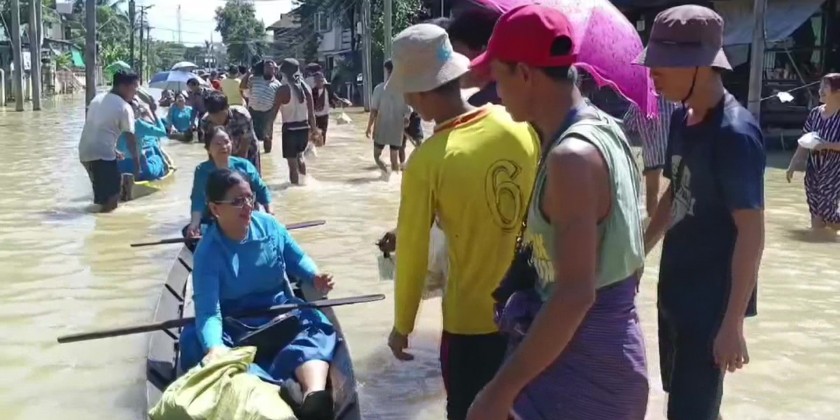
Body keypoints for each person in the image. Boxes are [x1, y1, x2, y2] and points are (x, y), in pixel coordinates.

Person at [464, 6, 649, 420]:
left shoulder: (571, 159)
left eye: (499, 75)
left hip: (581, 372)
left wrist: (499, 392)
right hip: (606, 353)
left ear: (526, 74)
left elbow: (574, 295)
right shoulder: (605, 128)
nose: (495, 90)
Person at [384, 24, 539, 420]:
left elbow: (413, 252)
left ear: (418, 94)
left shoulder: (427, 161)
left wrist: (403, 324)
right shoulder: (518, 124)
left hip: (471, 321)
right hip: (533, 312)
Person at [636, 5, 765, 419]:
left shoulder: (735, 134)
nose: (652, 72)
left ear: (700, 66)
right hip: (675, 286)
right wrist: (637, 254)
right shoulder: (680, 118)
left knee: (691, 411)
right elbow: (676, 192)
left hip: (711, 303)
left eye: (663, 63)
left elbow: (752, 233)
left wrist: (733, 323)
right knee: (687, 403)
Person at [178, 168, 337, 420]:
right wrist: (215, 347)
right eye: (237, 201)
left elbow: (297, 259)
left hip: (279, 313)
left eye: (250, 198)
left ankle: (313, 394)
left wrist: (315, 276)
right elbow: (209, 311)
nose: (248, 206)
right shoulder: (207, 252)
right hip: (234, 324)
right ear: (215, 209)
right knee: (198, 345)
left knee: (317, 324)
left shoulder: (270, 226)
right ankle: (273, 393)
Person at [185, 127, 272, 238]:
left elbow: (262, 190)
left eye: (226, 142)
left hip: (245, 215)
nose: (224, 147)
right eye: (218, 144)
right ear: (208, 149)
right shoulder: (202, 171)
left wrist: (270, 214)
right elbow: (198, 199)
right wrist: (194, 224)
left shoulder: (244, 165)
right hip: (214, 219)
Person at [78, 70, 140, 212]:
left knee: (102, 199)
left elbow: (97, 127)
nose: (135, 92)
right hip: (102, 155)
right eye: (135, 87)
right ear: (124, 86)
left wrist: (113, 149)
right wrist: (137, 165)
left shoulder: (97, 99)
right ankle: (102, 228)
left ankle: (96, 226)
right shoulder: (125, 107)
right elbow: (131, 139)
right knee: (112, 200)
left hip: (84, 153)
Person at [787, 73, 840, 231]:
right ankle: (819, 237)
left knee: (825, 210)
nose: (821, 90)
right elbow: (804, 141)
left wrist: (827, 145)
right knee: (815, 210)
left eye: (826, 86)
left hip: (834, 169)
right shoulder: (815, 113)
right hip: (813, 169)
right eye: (820, 86)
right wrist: (793, 164)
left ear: (838, 92)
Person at [623, 95, 680, 219]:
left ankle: (654, 221)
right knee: (674, 192)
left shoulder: (639, 103)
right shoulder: (673, 100)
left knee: (652, 193)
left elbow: (628, 124)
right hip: (671, 151)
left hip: (652, 154)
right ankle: (668, 224)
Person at [278, 58, 319, 185]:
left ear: (283, 72)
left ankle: (295, 188)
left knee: (292, 165)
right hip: (304, 128)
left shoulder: (283, 89)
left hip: (289, 130)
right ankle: (304, 184)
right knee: (300, 157)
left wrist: (267, 128)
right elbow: (311, 114)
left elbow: (274, 112)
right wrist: (314, 131)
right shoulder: (306, 88)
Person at [366, 60, 411, 173]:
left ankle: (387, 176)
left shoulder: (379, 89)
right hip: (396, 128)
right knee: (394, 159)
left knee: (377, 156)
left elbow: (374, 111)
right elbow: (409, 109)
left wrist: (369, 128)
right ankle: (393, 182)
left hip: (383, 128)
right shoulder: (403, 89)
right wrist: (407, 118)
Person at [199, 91, 261, 173]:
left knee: (251, 180)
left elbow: (245, 143)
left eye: (220, 114)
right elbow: (211, 148)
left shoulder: (241, 115)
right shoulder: (205, 121)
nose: (216, 119)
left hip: (249, 151)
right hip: (224, 153)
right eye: (213, 115)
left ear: (227, 107)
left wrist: (238, 166)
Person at [117, 101, 170, 183]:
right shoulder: (138, 124)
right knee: (157, 158)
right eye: (137, 109)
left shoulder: (114, 122)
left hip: (120, 168)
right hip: (141, 170)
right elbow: (162, 132)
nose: (139, 111)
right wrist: (154, 113)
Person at [248, 59, 283, 154]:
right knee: (251, 137)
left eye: (270, 68)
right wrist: (250, 72)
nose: (268, 70)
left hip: (267, 113)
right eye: (266, 67)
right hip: (253, 112)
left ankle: (267, 155)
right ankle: (253, 155)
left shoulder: (278, 85)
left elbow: (277, 104)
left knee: (267, 138)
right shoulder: (254, 79)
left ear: (275, 70)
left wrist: (273, 117)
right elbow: (242, 86)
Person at [311, 71, 351, 144]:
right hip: (315, 115)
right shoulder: (312, 91)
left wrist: (341, 101)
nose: (319, 82)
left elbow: (333, 96)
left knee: (323, 132)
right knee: (315, 133)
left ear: (323, 80)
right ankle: (316, 145)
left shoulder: (328, 88)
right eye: (316, 81)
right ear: (315, 81)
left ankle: (322, 146)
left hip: (325, 114)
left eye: (320, 80)